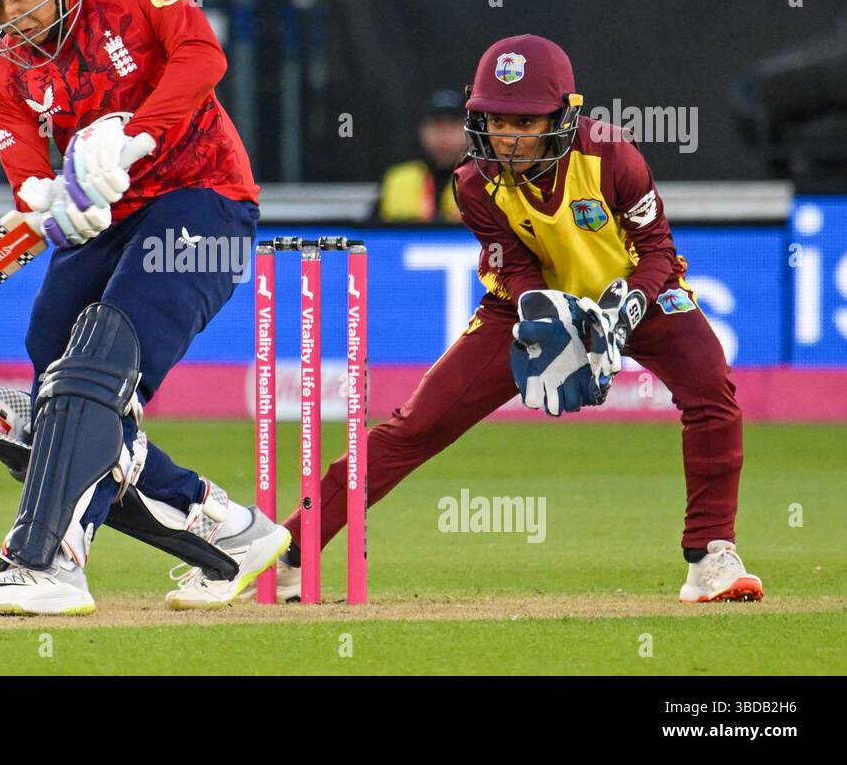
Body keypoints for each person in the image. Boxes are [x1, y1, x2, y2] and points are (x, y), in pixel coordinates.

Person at [232, 34, 761, 604]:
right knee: (416, 426)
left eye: (525, 122)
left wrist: (622, 308)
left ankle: (710, 558)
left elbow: (657, 247)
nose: (507, 137)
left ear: (563, 115)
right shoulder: (473, 182)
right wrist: (544, 311)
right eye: (495, 119)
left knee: (712, 390)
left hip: (638, 291)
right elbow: (513, 265)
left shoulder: (610, 154)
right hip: (523, 304)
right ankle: (287, 554)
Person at [0, 0, 289, 615]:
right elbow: (30, 186)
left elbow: (204, 56)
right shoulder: (2, 78)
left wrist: (134, 139)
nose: (11, 15)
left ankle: (47, 563)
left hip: (207, 199)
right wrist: (51, 204)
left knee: (98, 359)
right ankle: (226, 528)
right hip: (108, 223)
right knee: (57, 379)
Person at [371, 89, 466, 223]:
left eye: (454, 125)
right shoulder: (397, 179)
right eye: (436, 125)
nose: (445, 135)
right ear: (422, 131)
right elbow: (371, 234)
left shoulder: (488, 181)